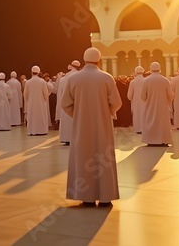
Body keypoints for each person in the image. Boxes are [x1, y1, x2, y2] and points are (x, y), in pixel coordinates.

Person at [62, 47, 121, 206]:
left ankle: (86, 197)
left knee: (83, 157)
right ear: (99, 59)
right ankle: (105, 197)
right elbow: (116, 102)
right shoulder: (106, 78)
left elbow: (65, 103)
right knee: (102, 158)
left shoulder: (73, 79)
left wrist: (78, 115)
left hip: (81, 126)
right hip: (103, 126)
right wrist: (106, 113)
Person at [139, 62, 173, 146]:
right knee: (162, 123)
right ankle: (162, 139)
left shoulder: (146, 80)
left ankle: (151, 140)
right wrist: (166, 101)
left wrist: (149, 100)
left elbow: (142, 96)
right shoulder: (165, 80)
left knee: (150, 122)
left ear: (150, 69)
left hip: (150, 107)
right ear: (159, 69)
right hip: (163, 107)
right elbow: (171, 95)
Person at [57, 61, 80, 145]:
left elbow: (60, 93)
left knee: (66, 121)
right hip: (77, 103)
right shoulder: (79, 76)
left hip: (65, 103)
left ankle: (66, 138)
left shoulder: (64, 78)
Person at [23, 66, 51, 136]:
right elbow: (46, 94)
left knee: (32, 117)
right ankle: (42, 130)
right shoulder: (42, 81)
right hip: (41, 104)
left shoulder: (28, 82)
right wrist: (44, 101)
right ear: (38, 73)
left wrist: (28, 102)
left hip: (31, 104)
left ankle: (32, 130)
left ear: (31, 72)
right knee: (41, 116)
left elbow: (25, 94)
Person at [126, 66, 145, 134]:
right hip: (145, 102)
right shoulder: (146, 81)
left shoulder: (133, 82)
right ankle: (144, 128)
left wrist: (131, 98)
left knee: (136, 114)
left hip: (135, 102)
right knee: (144, 114)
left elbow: (129, 95)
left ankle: (138, 129)